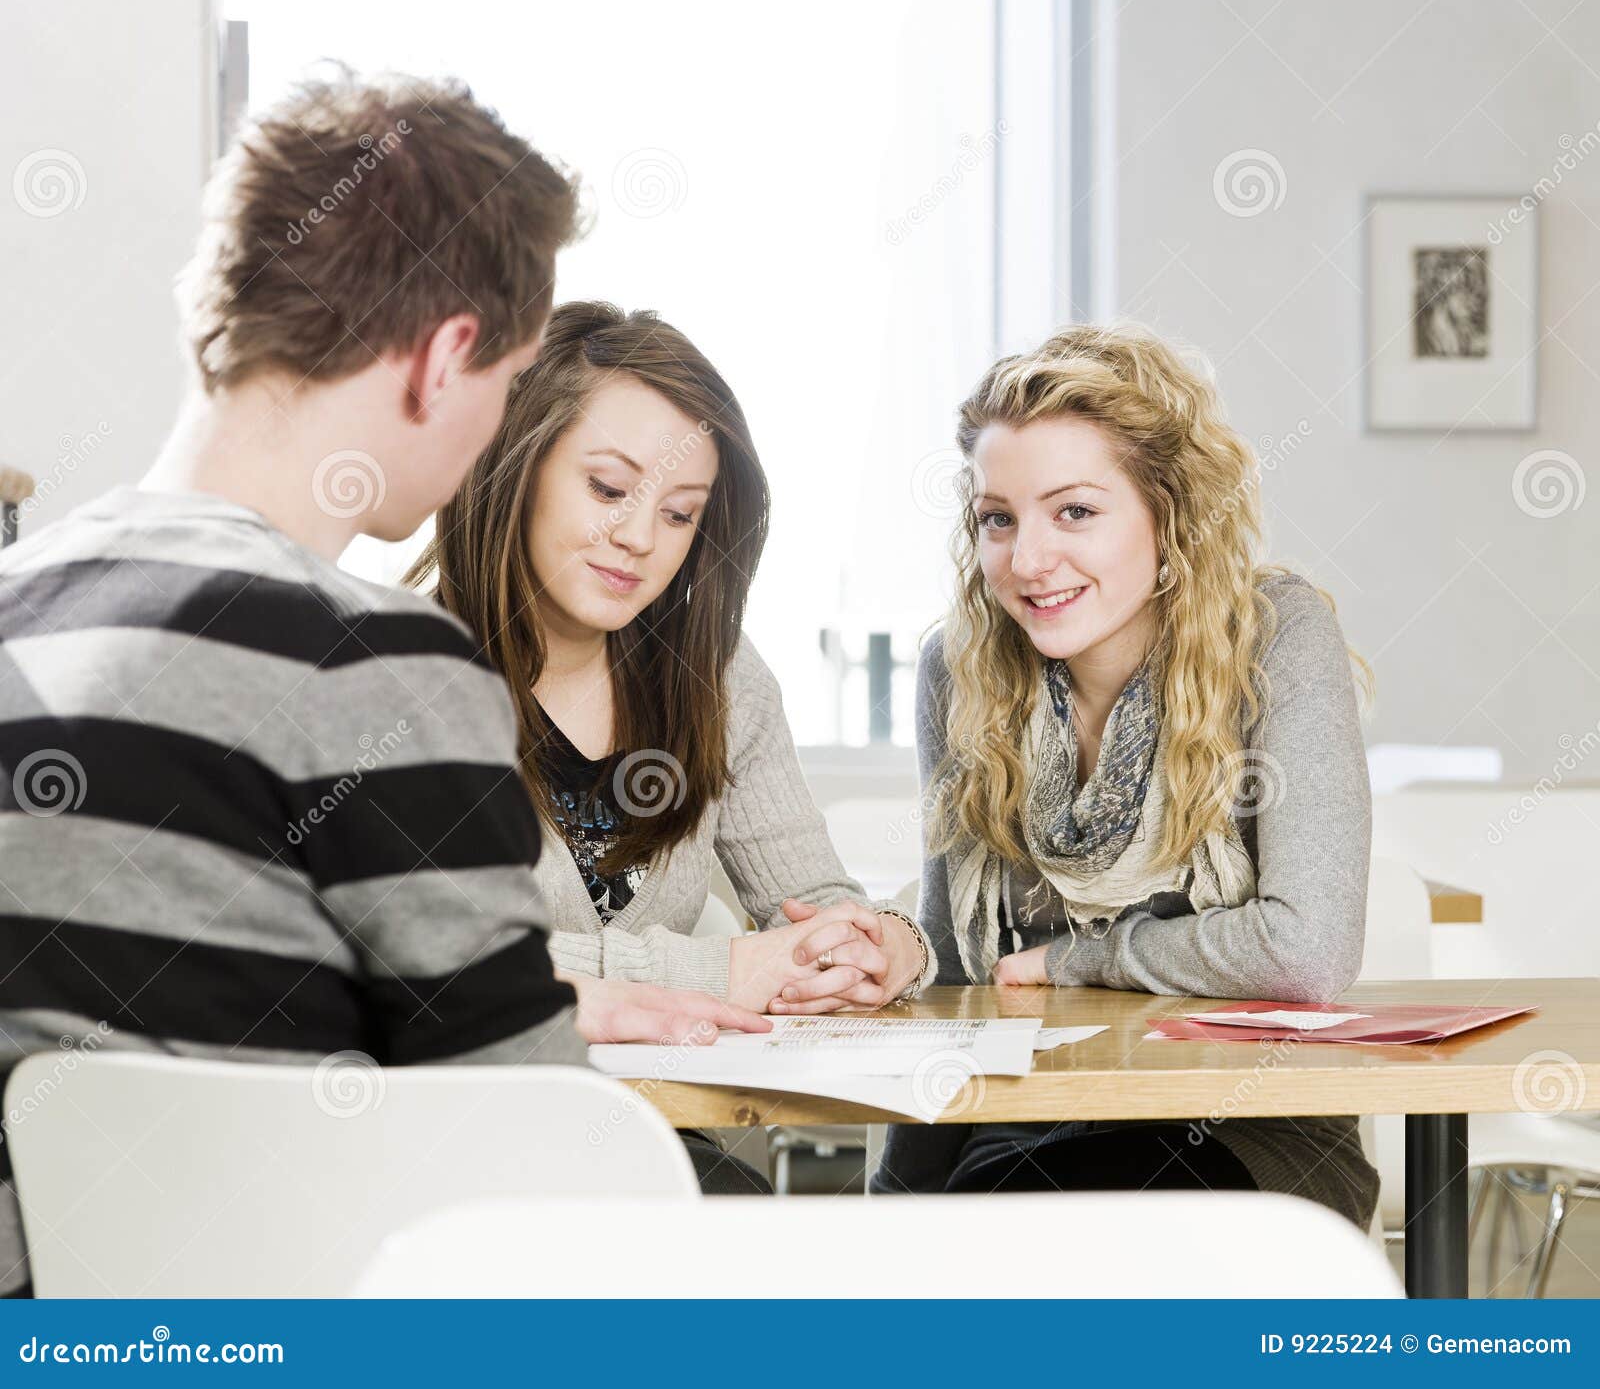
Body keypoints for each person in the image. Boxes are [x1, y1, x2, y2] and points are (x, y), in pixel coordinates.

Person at [0, 71, 764, 1296]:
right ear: (444, 359)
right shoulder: (377, 662)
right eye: (514, 384)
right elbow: (537, 1170)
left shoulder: (17, 608)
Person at [408, 301, 939, 1186]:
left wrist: (879, 947)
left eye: (681, 512)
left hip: (645, 1140)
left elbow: (813, 904)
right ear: (515, 462)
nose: (640, 538)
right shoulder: (393, 674)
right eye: (609, 490)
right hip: (445, 1137)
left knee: (730, 1220)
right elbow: (429, 962)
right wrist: (718, 972)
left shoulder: (720, 676)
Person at [871, 322, 1380, 1227]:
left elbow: (1305, 952)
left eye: (1075, 511)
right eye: (999, 518)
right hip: (1023, 1129)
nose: (1028, 560)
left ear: (1168, 513)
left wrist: (1083, 958)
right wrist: (893, 1209)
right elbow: (954, 969)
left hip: (1245, 1136)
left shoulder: (1275, 637)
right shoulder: (962, 668)